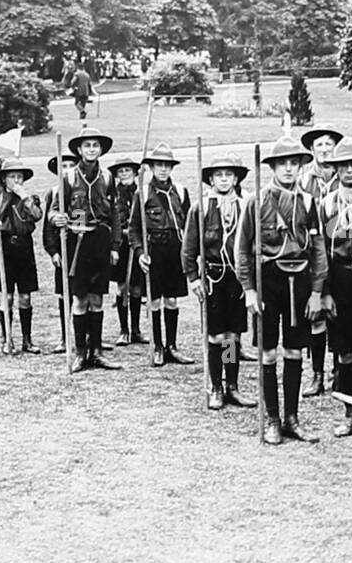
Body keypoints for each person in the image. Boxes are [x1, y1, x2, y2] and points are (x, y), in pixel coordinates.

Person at [235, 137, 328, 445]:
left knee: (293, 350)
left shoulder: (308, 202)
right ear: (272, 167)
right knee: (267, 352)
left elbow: (317, 249)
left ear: (301, 166)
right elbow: (242, 250)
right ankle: (272, 418)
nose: (289, 169)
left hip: (299, 282)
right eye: (282, 164)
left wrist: (316, 290)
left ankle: (291, 418)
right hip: (267, 282)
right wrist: (249, 289)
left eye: (294, 163)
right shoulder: (256, 200)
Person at [183, 152, 255, 410]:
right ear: (211, 179)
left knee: (233, 337)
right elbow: (189, 248)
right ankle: (215, 385)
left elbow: (252, 243)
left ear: (236, 178)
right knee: (216, 336)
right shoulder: (200, 208)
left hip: (237, 279)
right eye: (218, 175)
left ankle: (232, 385)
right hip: (213, 278)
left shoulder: (246, 204)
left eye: (229, 174)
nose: (224, 180)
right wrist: (193, 278)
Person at [46, 125, 122, 369]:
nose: (91, 149)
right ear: (79, 149)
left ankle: (96, 350)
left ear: (101, 150)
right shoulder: (67, 177)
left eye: (95, 145)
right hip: (76, 240)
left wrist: (115, 246)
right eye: (87, 145)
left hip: (100, 240)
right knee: (79, 299)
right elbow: (54, 211)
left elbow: (115, 216)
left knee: (97, 298)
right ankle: (80, 351)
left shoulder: (108, 178)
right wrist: (56, 218)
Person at [315, 138, 352, 437]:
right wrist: (325, 291)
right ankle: (350, 411)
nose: (350, 170)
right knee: (344, 351)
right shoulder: (327, 203)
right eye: (343, 166)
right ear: (336, 169)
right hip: (339, 281)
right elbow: (321, 251)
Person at [129, 143, 194, 367]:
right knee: (155, 300)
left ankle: (172, 346)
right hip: (153, 250)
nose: (163, 170)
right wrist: (139, 253)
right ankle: (157, 345)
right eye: (159, 165)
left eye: (167, 165)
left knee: (172, 300)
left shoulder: (181, 191)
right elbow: (134, 229)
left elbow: (191, 225)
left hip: (176, 251)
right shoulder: (143, 192)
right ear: (151, 167)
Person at [298, 123, 343, 395]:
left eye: (328, 144)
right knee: (315, 316)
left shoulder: (347, 175)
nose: (324, 150)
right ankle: (316, 373)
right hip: (313, 257)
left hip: (340, 256)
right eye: (319, 145)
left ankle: (339, 371)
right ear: (312, 150)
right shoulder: (304, 180)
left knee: (338, 315)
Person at [0, 158, 44, 353]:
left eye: (19, 177)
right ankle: (7, 339)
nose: (16, 180)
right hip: (5, 249)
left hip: (24, 248)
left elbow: (37, 215)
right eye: (12, 177)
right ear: (4, 179)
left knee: (25, 296)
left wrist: (25, 196)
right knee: (7, 297)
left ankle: (27, 340)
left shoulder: (29, 199)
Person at [42, 153, 80, 354]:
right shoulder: (54, 192)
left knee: (84, 294)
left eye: (71, 165)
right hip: (62, 250)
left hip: (81, 247)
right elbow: (48, 228)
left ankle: (87, 337)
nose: (66, 169)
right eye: (62, 166)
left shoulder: (82, 190)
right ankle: (66, 338)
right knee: (64, 295)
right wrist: (53, 251)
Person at [108, 154, 145, 345]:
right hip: (120, 244)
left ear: (135, 173)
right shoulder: (112, 194)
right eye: (121, 171)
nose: (124, 174)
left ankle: (136, 329)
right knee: (122, 286)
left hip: (137, 245)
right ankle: (124, 330)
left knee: (137, 288)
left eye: (128, 170)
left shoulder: (142, 192)